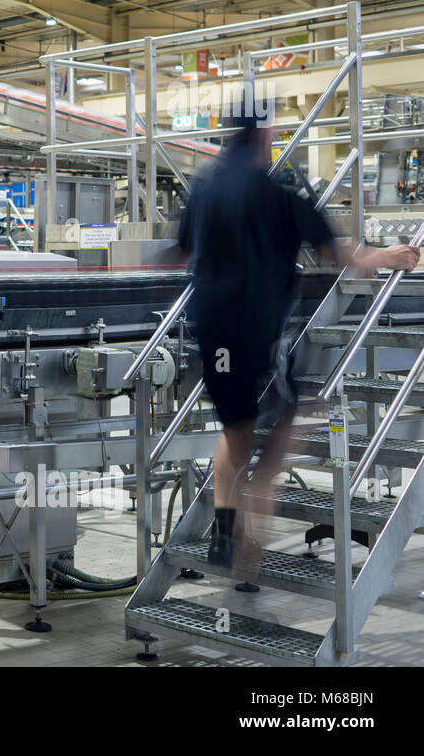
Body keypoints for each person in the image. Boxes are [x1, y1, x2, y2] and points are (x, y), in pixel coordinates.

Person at [177, 91, 420, 568]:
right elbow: (343, 258)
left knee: (236, 426)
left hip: (209, 331)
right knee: (292, 418)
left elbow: (183, 250)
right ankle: (255, 524)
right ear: (266, 135)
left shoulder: (203, 189)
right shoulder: (279, 197)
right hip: (256, 332)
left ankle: (223, 531)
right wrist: (391, 256)